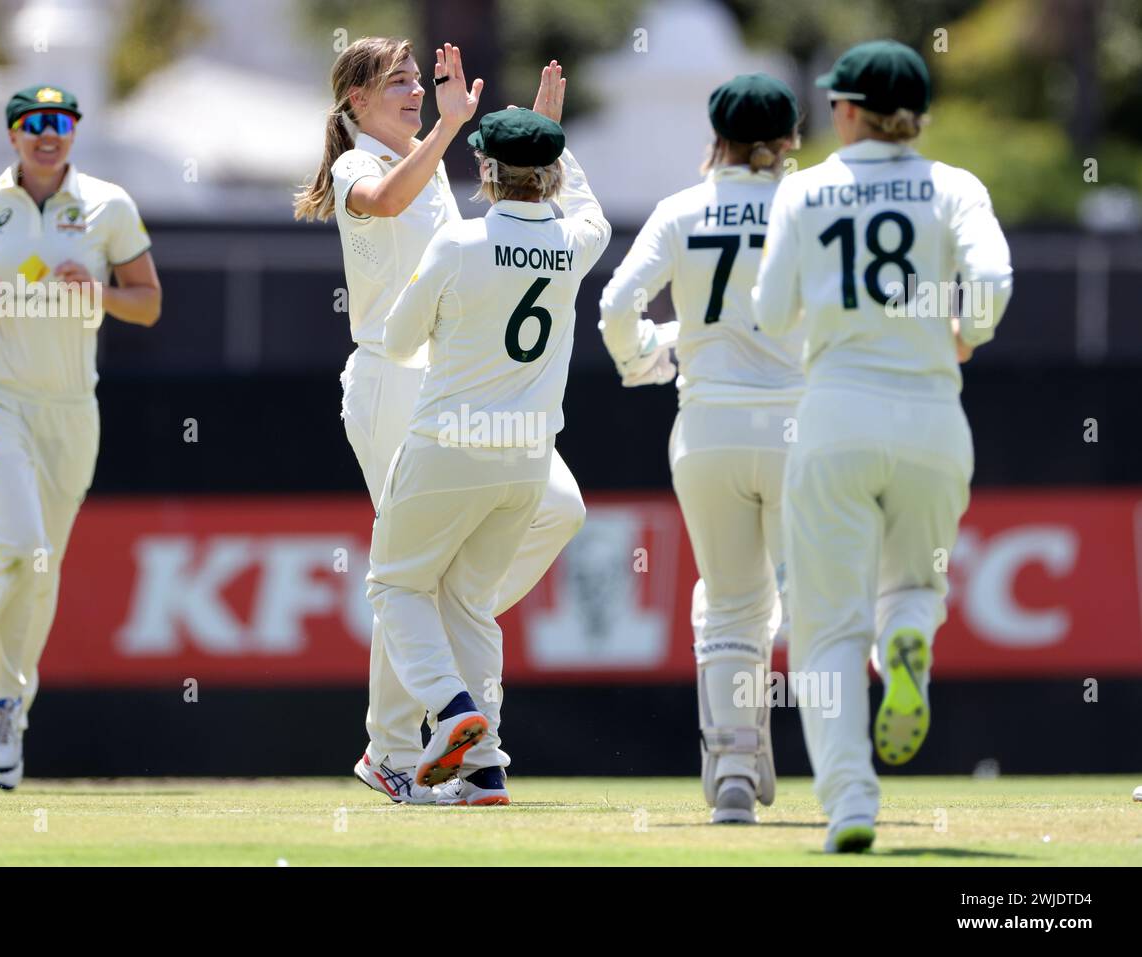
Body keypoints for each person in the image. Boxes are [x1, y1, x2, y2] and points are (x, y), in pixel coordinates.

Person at [294, 39, 586, 805]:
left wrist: (540, 144)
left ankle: (438, 697)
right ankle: (392, 748)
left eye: (417, 79)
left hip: (443, 380)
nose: (416, 90)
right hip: (392, 379)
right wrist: (452, 128)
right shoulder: (362, 162)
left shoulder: (423, 161)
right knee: (413, 577)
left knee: (552, 512)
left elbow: (514, 224)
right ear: (355, 99)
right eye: (397, 81)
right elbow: (385, 201)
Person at [752, 40, 1013, 851]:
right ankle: (910, 646)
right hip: (934, 416)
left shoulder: (809, 189)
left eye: (837, 101)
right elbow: (994, 282)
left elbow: (768, 311)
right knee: (914, 585)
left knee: (828, 627)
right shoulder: (956, 186)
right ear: (918, 117)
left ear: (855, 112)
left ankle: (852, 803)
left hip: (835, 416)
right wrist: (966, 329)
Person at [0, 85, 162, 789]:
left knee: (40, 562)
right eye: (34, 124)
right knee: (20, 547)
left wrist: (101, 295)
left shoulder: (108, 205)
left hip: (69, 411)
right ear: (14, 135)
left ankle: (9, 699)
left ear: (75, 132)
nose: (48, 135)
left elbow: (147, 303)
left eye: (60, 123)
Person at [365, 108, 610, 803]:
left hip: (450, 442)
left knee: (396, 585)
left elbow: (402, 342)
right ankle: (484, 769)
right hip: (528, 458)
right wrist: (552, 128)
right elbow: (591, 210)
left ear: (488, 173)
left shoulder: (457, 242)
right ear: (556, 173)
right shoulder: (575, 241)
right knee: (470, 603)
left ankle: (450, 710)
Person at [598, 74, 803, 825]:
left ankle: (734, 771)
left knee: (730, 602)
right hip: (799, 427)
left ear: (714, 131)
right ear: (788, 139)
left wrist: (646, 358)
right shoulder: (809, 205)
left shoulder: (681, 210)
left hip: (708, 428)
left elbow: (618, 305)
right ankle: (838, 773)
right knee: (806, 603)